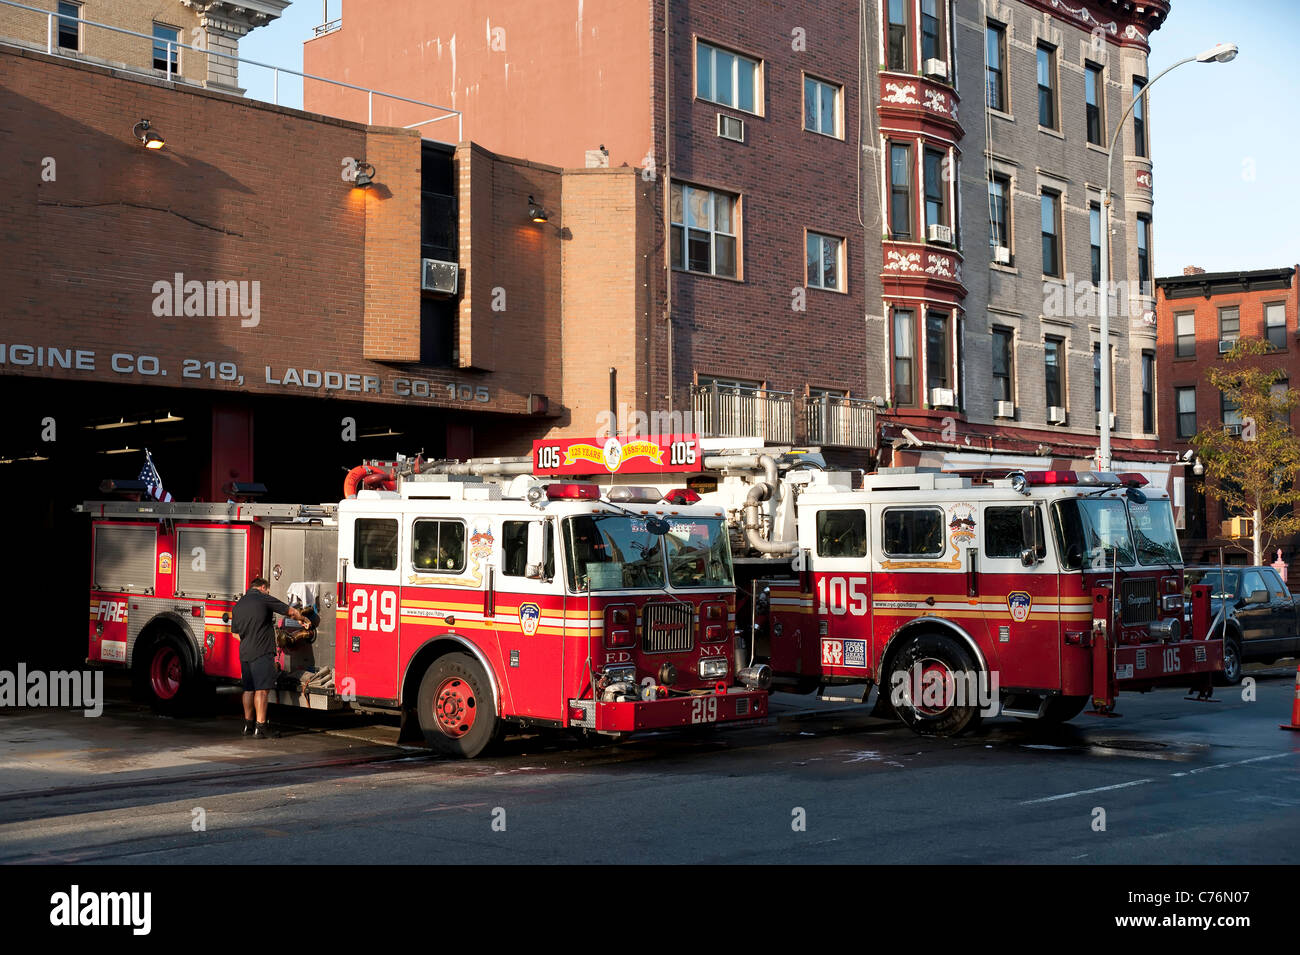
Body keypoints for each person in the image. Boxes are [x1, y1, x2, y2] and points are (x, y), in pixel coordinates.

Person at [231, 576, 307, 739]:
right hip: (262, 652)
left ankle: (248, 726)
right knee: (262, 690)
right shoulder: (263, 598)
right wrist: (303, 619)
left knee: (248, 690)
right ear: (263, 587)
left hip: (245, 652)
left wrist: (249, 641)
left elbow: (235, 633)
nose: (268, 592)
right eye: (268, 589)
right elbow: (291, 612)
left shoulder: (238, 605)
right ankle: (261, 728)